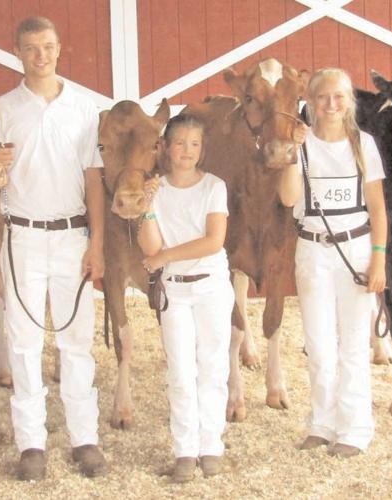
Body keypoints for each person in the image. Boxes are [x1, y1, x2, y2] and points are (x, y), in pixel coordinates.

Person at [0, 16, 107, 481]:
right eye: (30, 48)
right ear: (18, 52)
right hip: (21, 234)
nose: (40, 55)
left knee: (76, 339)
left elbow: (93, 178)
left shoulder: (84, 106)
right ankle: (31, 443)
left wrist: (97, 240)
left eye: (47, 47)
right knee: (22, 340)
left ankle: (85, 438)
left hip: (71, 235)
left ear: (60, 48)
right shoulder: (2, 108)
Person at [277, 68, 388, 458]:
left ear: (349, 101)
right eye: (322, 97)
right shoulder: (301, 145)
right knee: (319, 344)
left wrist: (379, 260)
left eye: (339, 96)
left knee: (354, 343)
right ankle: (322, 424)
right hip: (312, 250)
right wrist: (292, 152)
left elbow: (377, 207)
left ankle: (355, 428)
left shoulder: (363, 143)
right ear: (310, 100)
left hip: (355, 249)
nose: (331, 104)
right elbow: (290, 199)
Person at [137, 114, 232, 483]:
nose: (187, 151)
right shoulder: (156, 189)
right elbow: (150, 246)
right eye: (180, 143)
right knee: (180, 370)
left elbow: (214, 240)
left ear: (202, 149)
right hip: (174, 289)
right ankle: (184, 450)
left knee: (212, 365)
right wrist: (146, 207)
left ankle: (211, 446)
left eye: (194, 144)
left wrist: (164, 257)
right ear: (165, 147)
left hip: (210, 285)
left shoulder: (213, 186)